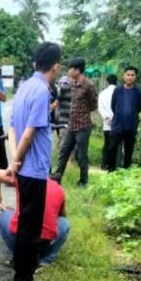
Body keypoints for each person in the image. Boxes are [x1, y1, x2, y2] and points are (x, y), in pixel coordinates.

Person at [8, 41, 62, 281]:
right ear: (56, 66)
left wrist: (13, 161)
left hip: (24, 169)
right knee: (30, 230)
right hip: (34, 170)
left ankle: (24, 278)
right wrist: (17, 161)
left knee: (27, 227)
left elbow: (12, 129)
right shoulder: (42, 91)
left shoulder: (23, 88)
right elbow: (28, 133)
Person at [0, 168, 70, 267]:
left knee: (4, 215)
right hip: (43, 242)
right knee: (64, 223)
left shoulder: (25, 179)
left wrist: (0, 203)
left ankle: (19, 257)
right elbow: (62, 216)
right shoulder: (60, 190)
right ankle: (45, 260)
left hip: (21, 240)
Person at [50, 57, 98, 187]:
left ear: (77, 70)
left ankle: (83, 180)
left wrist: (83, 112)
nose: (68, 71)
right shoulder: (71, 84)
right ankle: (57, 176)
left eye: (70, 68)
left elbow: (94, 104)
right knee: (64, 151)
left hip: (83, 125)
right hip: (71, 124)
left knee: (81, 154)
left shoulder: (88, 85)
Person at [108, 66, 141, 169]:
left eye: (132, 75)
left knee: (129, 149)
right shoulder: (118, 90)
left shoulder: (138, 92)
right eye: (128, 75)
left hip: (131, 125)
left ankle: (126, 170)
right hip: (118, 125)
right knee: (112, 147)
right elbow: (113, 105)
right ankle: (111, 170)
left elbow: (140, 106)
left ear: (135, 77)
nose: (130, 77)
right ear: (124, 76)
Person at [98, 74, 117, 171]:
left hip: (107, 123)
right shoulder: (119, 92)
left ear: (107, 82)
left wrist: (106, 118)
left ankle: (104, 164)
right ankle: (114, 165)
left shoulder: (102, 93)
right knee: (116, 145)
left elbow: (100, 108)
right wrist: (114, 118)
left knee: (106, 144)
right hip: (117, 122)